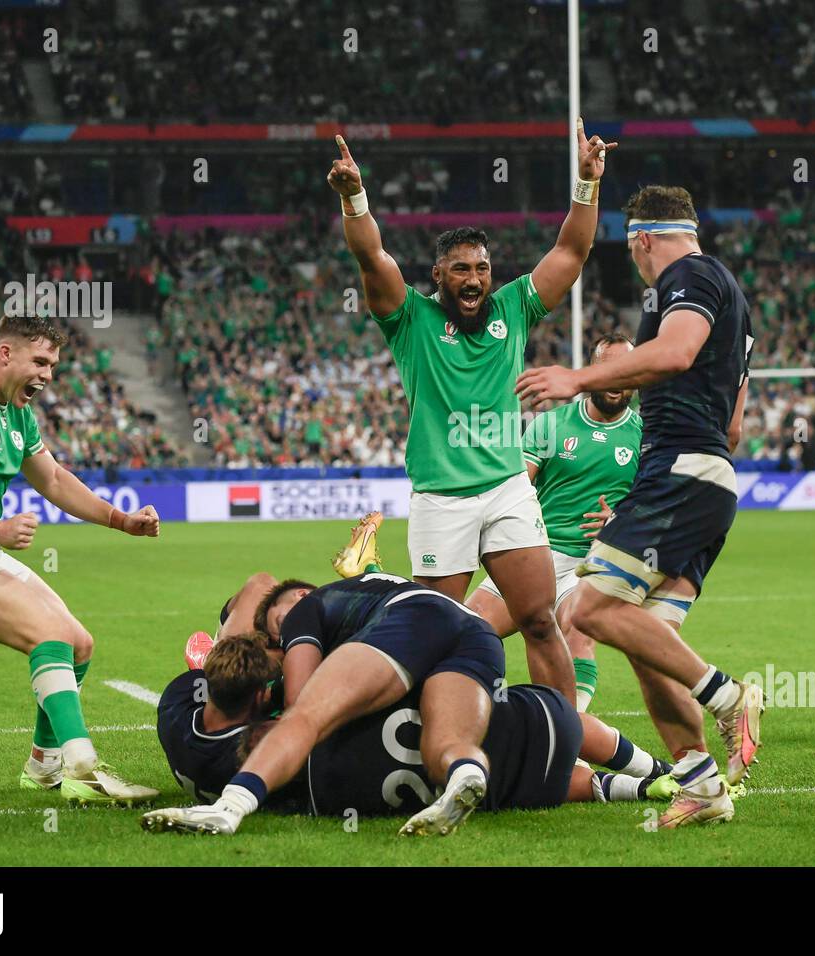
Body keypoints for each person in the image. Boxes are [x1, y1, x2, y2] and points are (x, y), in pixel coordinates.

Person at [325, 120, 618, 705]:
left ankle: (560, 737)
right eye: (461, 269)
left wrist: (586, 184)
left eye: (482, 268)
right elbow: (372, 255)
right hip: (441, 497)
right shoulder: (411, 319)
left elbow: (572, 250)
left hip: (508, 489)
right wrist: (354, 197)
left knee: (539, 619)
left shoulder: (515, 305)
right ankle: (426, 730)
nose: (475, 279)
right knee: (433, 633)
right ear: (438, 276)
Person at [516, 185, 759, 829]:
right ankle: (703, 786)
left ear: (643, 239)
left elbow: (676, 351)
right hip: (709, 475)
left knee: (590, 608)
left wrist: (578, 378)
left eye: (632, 248)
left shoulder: (691, 276)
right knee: (650, 642)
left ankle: (728, 696)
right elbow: (734, 427)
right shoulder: (732, 296)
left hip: (678, 470)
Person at [0, 315, 160, 805]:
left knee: (79, 643)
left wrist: (120, 521)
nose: (47, 374)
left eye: (54, 365)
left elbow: (55, 481)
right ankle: (84, 767)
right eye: (40, 361)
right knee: (50, 633)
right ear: (4, 354)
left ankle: (44, 769)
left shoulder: (15, 411)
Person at [157, 633, 676, 819]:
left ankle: (636, 787)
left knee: (538, 781)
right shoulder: (312, 718)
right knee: (538, 719)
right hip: (541, 719)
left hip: (518, 787)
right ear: (266, 696)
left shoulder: (190, 731)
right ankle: (657, 771)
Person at [143, 572, 507, 836]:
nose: (280, 639)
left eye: (277, 626)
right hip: (480, 634)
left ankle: (230, 806)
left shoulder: (305, 609)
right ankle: (466, 773)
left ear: (300, 595)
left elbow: (302, 703)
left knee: (306, 717)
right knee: (446, 745)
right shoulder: (358, 606)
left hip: (417, 613)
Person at [468, 333, 643, 712]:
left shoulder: (645, 437)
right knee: (468, 626)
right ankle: (477, 711)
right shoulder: (551, 425)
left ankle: (569, 733)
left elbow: (657, 510)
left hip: (594, 562)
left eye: (624, 370)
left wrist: (621, 523)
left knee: (577, 631)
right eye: (606, 369)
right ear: (591, 372)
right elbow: (516, 489)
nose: (615, 380)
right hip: (537, 553)